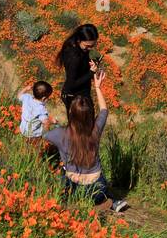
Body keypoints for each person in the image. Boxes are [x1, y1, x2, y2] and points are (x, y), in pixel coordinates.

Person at [44, 69, 128, 213]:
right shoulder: (96, 130)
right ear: (90, 115)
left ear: (71, 113)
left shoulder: (60, 133)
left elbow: (42, 134)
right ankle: (110, 201)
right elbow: (104, 110)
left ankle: (73, 203)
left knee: (60, 172)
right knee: (100, 183)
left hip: (72, 189)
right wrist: (97, 87)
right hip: (97, 189)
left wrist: (47, 121)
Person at [56, 22, 101, 112]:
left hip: (81, 93)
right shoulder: (74, 57)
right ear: (79, 40)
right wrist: (91, 73)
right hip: (74, 97)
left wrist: (90, 64)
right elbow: (71, 84)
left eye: (92, 45)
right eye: (87, 46)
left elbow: (83, 61)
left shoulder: (80, 47)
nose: (90, 49)